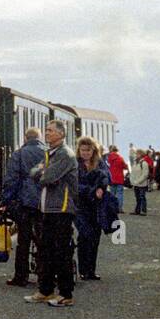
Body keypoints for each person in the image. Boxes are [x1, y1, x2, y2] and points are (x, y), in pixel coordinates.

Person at [25, 120, 79, 307]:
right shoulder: (50, 153)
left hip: (62, 209)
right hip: (48, 208)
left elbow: (47, 177)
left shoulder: (65, 154)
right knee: (45, 251)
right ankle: (45, 290)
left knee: (61, 252)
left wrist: (42, 172)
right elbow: (33, 173)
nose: (46, 134)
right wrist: (42, 172)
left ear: (61, 134)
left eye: (50, 131)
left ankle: (66, 294)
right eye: (46, 131)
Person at [0, 126, 46, 287]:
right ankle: (43, 274)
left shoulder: (19, 154)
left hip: (24, 202)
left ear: (26, 138)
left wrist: (5, 201)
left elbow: (11, 180)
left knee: (23, 240)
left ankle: (21, 276)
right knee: (43, 239)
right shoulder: (47, 153)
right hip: (44, 202)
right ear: (40, 138)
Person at [75, 136, 110, 281]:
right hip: (80, 205)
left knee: (95, 236)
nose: (85, 153)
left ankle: (91, 270)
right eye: (83, 150)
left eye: (88, 150)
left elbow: (107, 177)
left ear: (93, 150)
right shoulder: (75, 164)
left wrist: (102, 187)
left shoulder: (100, 163)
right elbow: (74, 183)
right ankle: (83, 269)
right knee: (84, 235)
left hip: (96, 205)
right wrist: (91, 190)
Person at [105, 145, 128, 211]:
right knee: (119, 194)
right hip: (119, 178)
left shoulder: (108, 158)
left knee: (112, 194)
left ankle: (112, 207)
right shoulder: (120, 158)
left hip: (112, 178)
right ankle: (119, 208)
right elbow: (125, 166)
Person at [130, 148, 152, 215]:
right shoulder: (135, 163)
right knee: (137, 198)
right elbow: (132, 173)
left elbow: (145, 174)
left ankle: (143, 210)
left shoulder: (144, 163)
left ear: (141, 155)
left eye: (137, 154)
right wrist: (132, 181)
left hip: (141, 184)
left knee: (142, 197)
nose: (136, 155)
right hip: (135, 183)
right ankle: (137, 210)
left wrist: (138, 181)